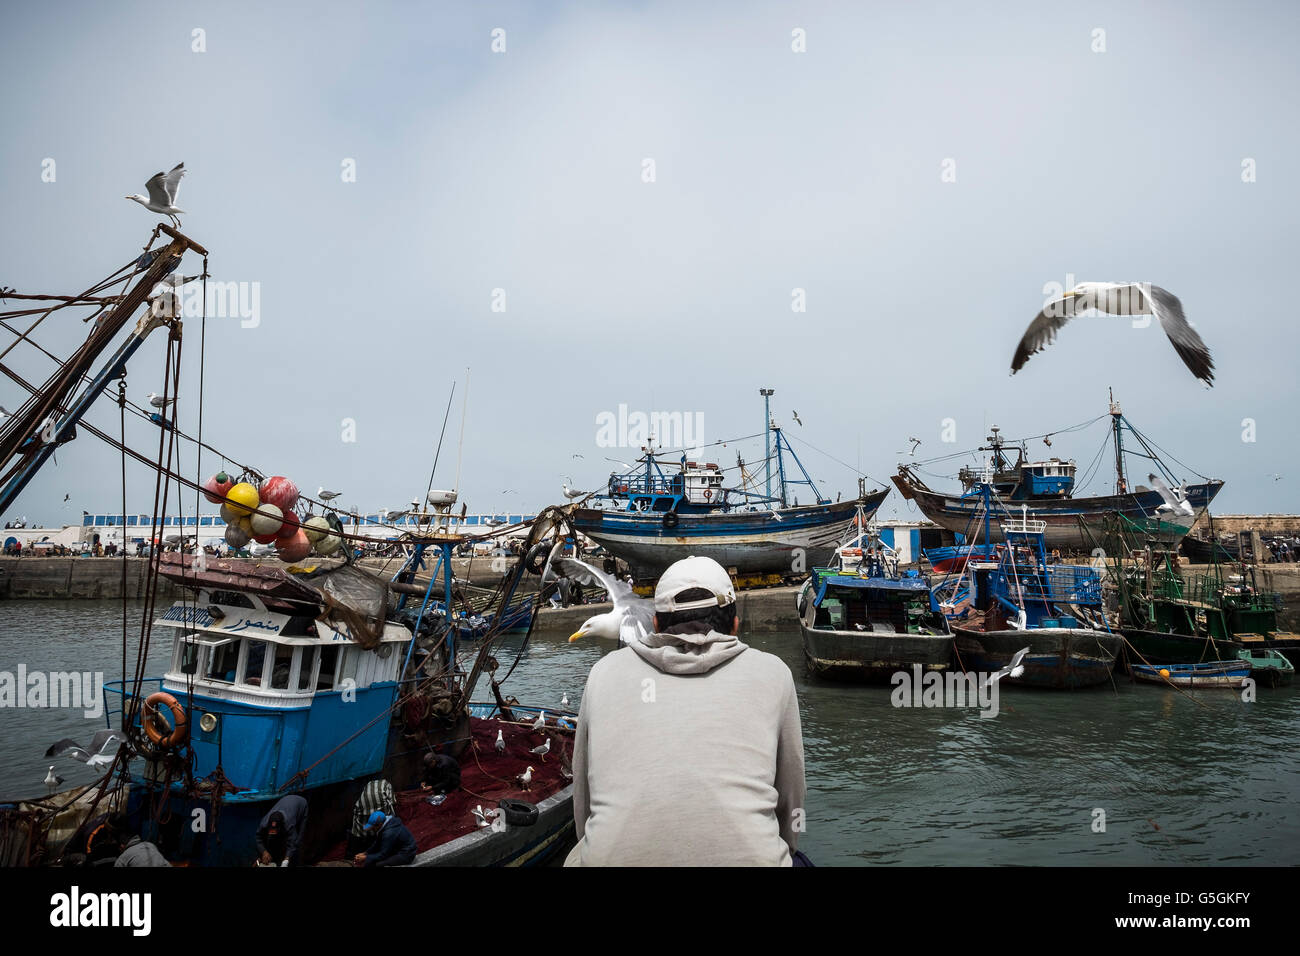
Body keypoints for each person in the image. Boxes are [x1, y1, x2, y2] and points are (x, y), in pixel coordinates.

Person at [565, 555, 806, 866]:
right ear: (735, 625)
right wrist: (782, 849)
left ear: (654, 624)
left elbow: (583, 803)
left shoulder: (603, 672)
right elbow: (791, 798)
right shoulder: (774, 672)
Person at [255, 793, 309, 866]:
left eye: (275, 831)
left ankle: (295, 863)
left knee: (298, 839)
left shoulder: (289, 824)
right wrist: (264, 851)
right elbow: (258, 837)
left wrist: (286, 859)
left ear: (282, 826)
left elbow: (292, 842)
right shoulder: (264, 822)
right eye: (271, 831)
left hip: (301, 804)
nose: (273, 832)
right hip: (286, 800)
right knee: (273, 839)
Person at [349, 779, 396, 855]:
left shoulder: (369, 784)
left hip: (362, 819)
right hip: (376, 821)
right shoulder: (386, 785)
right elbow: (392, 803)